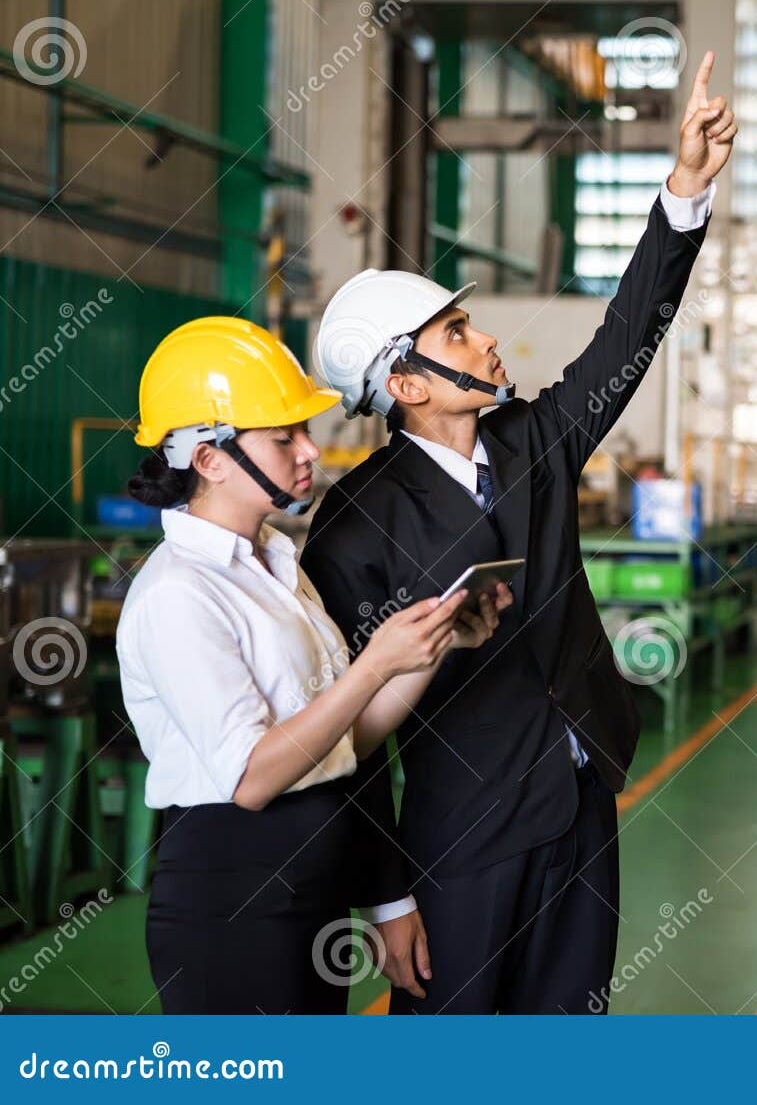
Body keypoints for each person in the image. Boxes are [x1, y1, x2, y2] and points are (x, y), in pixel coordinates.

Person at [298, 52, 736, 1013]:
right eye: (457, 334)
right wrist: (388, 897)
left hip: (582, 803)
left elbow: (629, 338)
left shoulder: (535, 441)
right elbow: (348, 732)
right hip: (462, 838)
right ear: (405, 384)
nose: (487, 339)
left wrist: (685, 191)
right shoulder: (355, 525)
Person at [117, 316, 509, 1014]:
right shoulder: (179, 592)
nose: (310, 451)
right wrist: (372, 667)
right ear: (208, 458)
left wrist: (428, 650)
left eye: (304, 430)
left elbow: (342, 743)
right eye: (283, 438)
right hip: (234, 899)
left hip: (314, 889)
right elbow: (251, 778)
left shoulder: (276, 564)